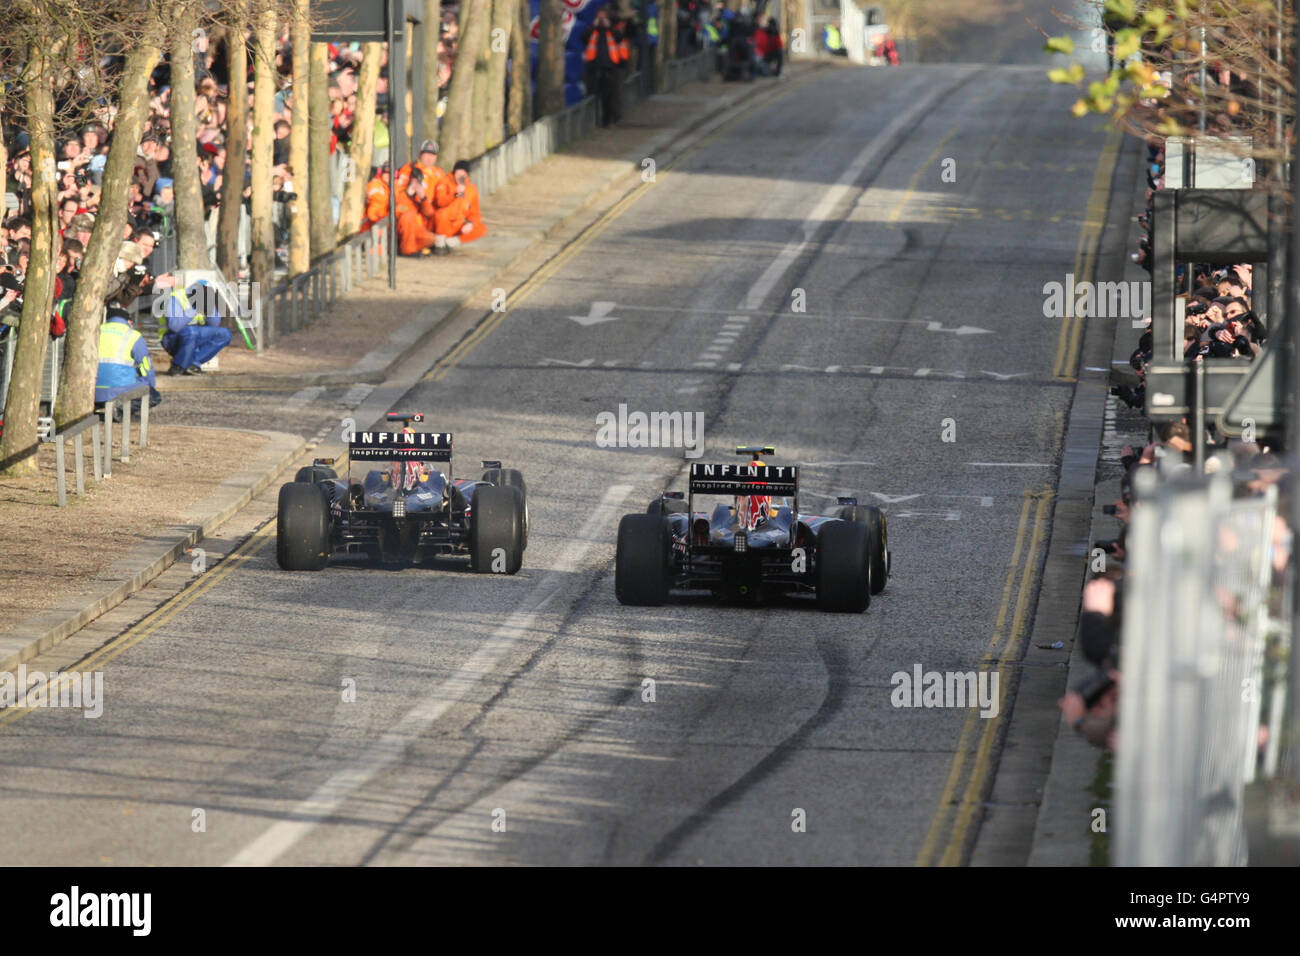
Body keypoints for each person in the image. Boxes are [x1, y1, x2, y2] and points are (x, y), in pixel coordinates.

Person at [159, 278, 233, 375]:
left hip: (194, 336)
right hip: (171, 339)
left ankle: (192, 364)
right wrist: (194, 308)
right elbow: (174, 326)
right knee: (191, 331)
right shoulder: (175, 298)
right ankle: (178, 365)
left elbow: (214, 325)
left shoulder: (206, 300)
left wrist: (209, 308)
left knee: (225, 334)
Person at [95, 306, 157, 405]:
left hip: (93, 389)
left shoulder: (96, 331)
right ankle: (119, 409)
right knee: (154, 395)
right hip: (119, 390)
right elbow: (145, 366)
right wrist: (151, 387)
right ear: (128, 321)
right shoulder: (133, 335)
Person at [582, 7, 629, 128]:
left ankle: (607, 120)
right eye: (600, 17)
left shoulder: (612, 31)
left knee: (609, 96)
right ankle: (594, 121)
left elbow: (619, 37)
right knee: (593, 95)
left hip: (609, 68)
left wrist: (609, 27)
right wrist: (594, 26)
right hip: (594, 68)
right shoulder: (592, 31)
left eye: (604, 17)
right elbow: (583, 38)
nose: (602, 20)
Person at [432, 160, 486, 252]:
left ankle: (450, 242)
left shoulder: (471, 189)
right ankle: (439, 244)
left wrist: (471, 223)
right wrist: (455, 194)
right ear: (454, 172)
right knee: (441, 214)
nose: (460, 177)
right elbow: (440, 202)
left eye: (463, 174)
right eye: (458, 173)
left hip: (457, 225)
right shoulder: (444, 183)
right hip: (443, 224)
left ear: (467, 175)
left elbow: (475, 213)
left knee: (481, 228)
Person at [395, 166, 439, 256]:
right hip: (401, 226)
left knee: (432, 239)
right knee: (409, 215)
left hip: (415, 227)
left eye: (418, 181)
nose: (415, 183)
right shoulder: (401, 192)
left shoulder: (420, 194)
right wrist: (408, 194)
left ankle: (407, 248)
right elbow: (398, 210)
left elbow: (429, 213)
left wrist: (423, 198)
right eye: (414, 180)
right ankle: (407, 251)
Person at [362, 160, 390, 232]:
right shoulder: (375, 184)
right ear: (381, 173)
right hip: (373, 227)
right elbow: (373, 212)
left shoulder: (387, 187)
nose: (388, 175)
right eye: (385, 172)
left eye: (390, 173)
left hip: (382, 224)